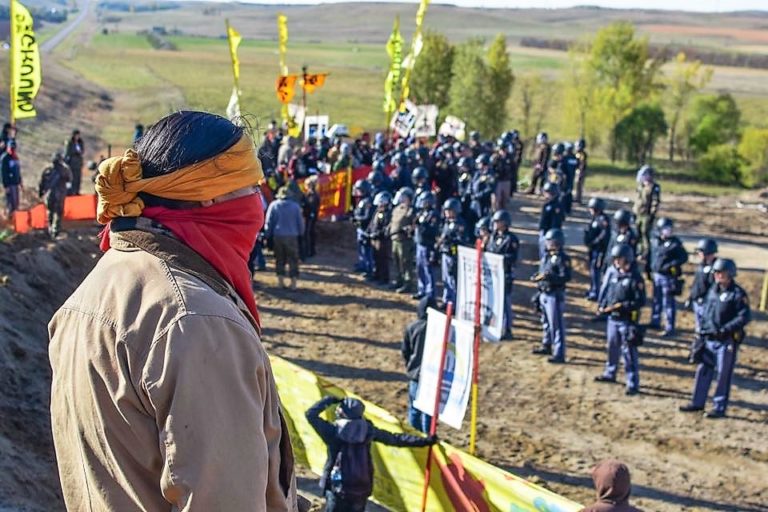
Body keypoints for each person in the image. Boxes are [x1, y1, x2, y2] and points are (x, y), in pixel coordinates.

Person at [48, 111, 299, 511]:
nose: (259, 202)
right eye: (250, 187)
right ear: (210, 198)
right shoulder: (197, 322)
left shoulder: (98, 284)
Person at [306, 396, 435, 512]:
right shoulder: (368, 431)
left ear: (341, 413)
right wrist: (425, 441)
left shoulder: (332, 432)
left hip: (337, 488)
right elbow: (395, 439)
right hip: (361, 488)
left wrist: (329, 400)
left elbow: (310, 414)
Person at [680, 258, 751, 418]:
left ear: (730, 274)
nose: (718, 276)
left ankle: (719, 407)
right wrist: (703, 331)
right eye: (716, 273)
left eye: (721, 273)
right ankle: (697, 402)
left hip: (726, 340)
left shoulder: (737, 294)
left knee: (723, 375)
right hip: (709, 339)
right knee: (703, 371)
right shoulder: (713, 290)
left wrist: (724, 330)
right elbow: (707, 312)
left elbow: (744, 317)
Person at [594, 244, 646, 395]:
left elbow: (640, 301)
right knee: (612, 347)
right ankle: (610, 372)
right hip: (613, 319)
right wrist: (604, 306)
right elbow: (609, 294)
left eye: (619, 259)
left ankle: (632, 382)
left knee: (629, 352)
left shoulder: (635, 278)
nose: (616, 262)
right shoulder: (614, 275)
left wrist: (622, 306)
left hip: (627, 320)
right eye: (615, 259)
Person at [531, 228, 572, 363]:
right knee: (546, 322)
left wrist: (550, 277)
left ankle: (559, 352)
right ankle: (546, 344)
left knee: (556, 325)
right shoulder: (547, 257)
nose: (547, 243)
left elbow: (565, 277)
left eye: (550, 241)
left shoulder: (562, 259)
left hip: (555, 294)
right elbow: (541, 272)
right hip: (544, 293)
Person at [401, 296, 438, 433]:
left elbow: (405, 350)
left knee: (414, 410)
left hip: (415, 374)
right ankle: (427, 438)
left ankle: (414, 437)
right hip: (432, 375)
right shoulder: (439, 329)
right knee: (428, 412)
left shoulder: (412, 327)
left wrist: (410, 367)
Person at [649, 217, 688, 337]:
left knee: (668, 302)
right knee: (656, 300)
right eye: (665, 229)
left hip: (668, 277)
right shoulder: (655, 241)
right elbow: (652, 256)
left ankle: (669, 326)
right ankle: (655, 321)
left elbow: (683, 257)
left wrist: (671, 265)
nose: (668, 231)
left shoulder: (675, 243)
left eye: (669, 229)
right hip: (656, 275)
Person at [485, 209, 519, 340]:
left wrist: (500, 258)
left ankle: (507, 328)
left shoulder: (511, 239)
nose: (495, 224)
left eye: (498, 222)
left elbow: (513, 257)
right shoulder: (492, 237)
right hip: (493, 274)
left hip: (505, 274)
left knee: (505, 302)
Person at [265, 185, 305, 289]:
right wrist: (301, 234)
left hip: (278, 236)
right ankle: (293, 283)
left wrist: (267, 235)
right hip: (292, 236)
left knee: (279, 259)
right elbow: (300, 223)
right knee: (293, 259)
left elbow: (269, 222)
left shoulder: (274, 205)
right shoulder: (296, 207)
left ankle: (280, 282)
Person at [685, 238, 718, 333]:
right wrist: (691, 297)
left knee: (706, 327)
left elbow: (714, 288)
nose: (699, 255)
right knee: (699, 326)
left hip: (707, 303)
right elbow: (697, 283)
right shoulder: (702, 266)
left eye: (700, 252)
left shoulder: (715, 268)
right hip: (697, 302)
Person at [437, 197, 466, 305]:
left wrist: (450, 241)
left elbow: (461, 239)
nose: (447, 213)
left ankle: (454, 302)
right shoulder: (446, 222)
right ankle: (446, 299)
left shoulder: (460, 224)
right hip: (445, 252)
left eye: (449, 211)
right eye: (446, 211)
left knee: (453, 278)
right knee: (445, 278)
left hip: (453, 254)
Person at [38, 153, 73, 239]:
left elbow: (41, 182)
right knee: (58, 213)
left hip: (49, 194)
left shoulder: (47, 169)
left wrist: (41, 192)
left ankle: (50, 229)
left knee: (50, 212)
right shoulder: (65, 169)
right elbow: (70, 179)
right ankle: (55, 231)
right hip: (59, 194)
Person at [388, 187, 416, 294]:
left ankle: (408, 283)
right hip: (394, 239)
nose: (402, 199)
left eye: (404, 197)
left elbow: (414, 224)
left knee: (405, 263)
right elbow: (393, 221)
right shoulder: (397, 209)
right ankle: (398, 280)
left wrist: (408, 229)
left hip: (404, 241)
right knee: (396, 261)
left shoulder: (411, 210)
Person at [633, 165, 661, 268]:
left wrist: (652, 214)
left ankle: (646, 253)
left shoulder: (654, 187)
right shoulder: (641, 186)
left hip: (646, 215)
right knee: (638, 234)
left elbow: (655, 202)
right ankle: (639, 251)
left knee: (645, 234)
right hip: (638, 214)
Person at [584, 197, 611, 301]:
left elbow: (604, 236)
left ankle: (596, 292)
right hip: (593, 249)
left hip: (599, 250)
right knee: (592, 270)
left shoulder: (603, 220)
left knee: (596, 271)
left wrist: (595, 242)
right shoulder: (595, 218)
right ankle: (592, 289)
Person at [413, 190, 439, 300]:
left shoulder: (434, 214)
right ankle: (421, 289)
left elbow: (433, 230)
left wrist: (422, 226)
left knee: (428, 269)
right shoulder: (421, 213)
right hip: (419, 243)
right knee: (420, 269)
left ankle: (430, 293)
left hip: (428, 245)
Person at [366, 191, 392, 285]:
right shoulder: (377, 211)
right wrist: (368, 232)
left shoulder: (387, 213)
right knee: (375, 258)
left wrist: (377, 234)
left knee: (383, 259)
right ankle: (376, 274)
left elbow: (386, 227)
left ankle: (384, 278)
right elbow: (372, 223)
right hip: (374, 239)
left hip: (382, 240)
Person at [352, 179, 374, 275]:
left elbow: (367, 217)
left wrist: (357, 218)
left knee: (367, 250)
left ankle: (369, 268)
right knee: (361, 248)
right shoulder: (361, 201)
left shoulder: (368, 201)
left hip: (365, 229)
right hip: (360, 229)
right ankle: (362, 265)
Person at [537, 182, 563, 259]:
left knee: (546, 253)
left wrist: (551, 234)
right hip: (544, 231)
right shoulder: (547, 204)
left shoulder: (556, 206)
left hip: (549, 233)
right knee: (542, 252)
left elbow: (556, 222)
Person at [1, 140, 22, 217]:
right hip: (9, 184)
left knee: (16, 203)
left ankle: (14, 219)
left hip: (16, 184)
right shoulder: (5, 159)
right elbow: (3, 173)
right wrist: (6, 186)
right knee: (10, 203)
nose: (13, 149)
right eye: (11, 148)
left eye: (14, 148)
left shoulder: (15, 158)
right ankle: (9, 218)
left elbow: (18, 171)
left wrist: (20, 182)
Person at [302, 175, 321, 259]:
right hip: (309, 216)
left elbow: (312, 205)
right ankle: (310, 250)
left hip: (310, 216)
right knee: (310, 233)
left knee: (308, 233)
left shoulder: (313, 195)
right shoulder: (310, 194)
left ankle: (309, 251)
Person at [64, 129, 85, 195]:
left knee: (78, 178)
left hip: (78, 162)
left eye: (78, 135)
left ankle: (77, 190)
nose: (77, 136)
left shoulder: (80, 142)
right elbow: (68, 152)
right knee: (72, 178)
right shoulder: (70, 142)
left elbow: (82, 151)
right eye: (76, 135)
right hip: (72, 162)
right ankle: (72, 191)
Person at [574, 139, 588, 204]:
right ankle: (576, 197)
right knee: (577, 185)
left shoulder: (582, 154)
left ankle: (578, 199)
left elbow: (582, 163)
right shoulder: (577, 153)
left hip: (580, 171)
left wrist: (580, 171)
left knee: (579, 185)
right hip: (578, 170)